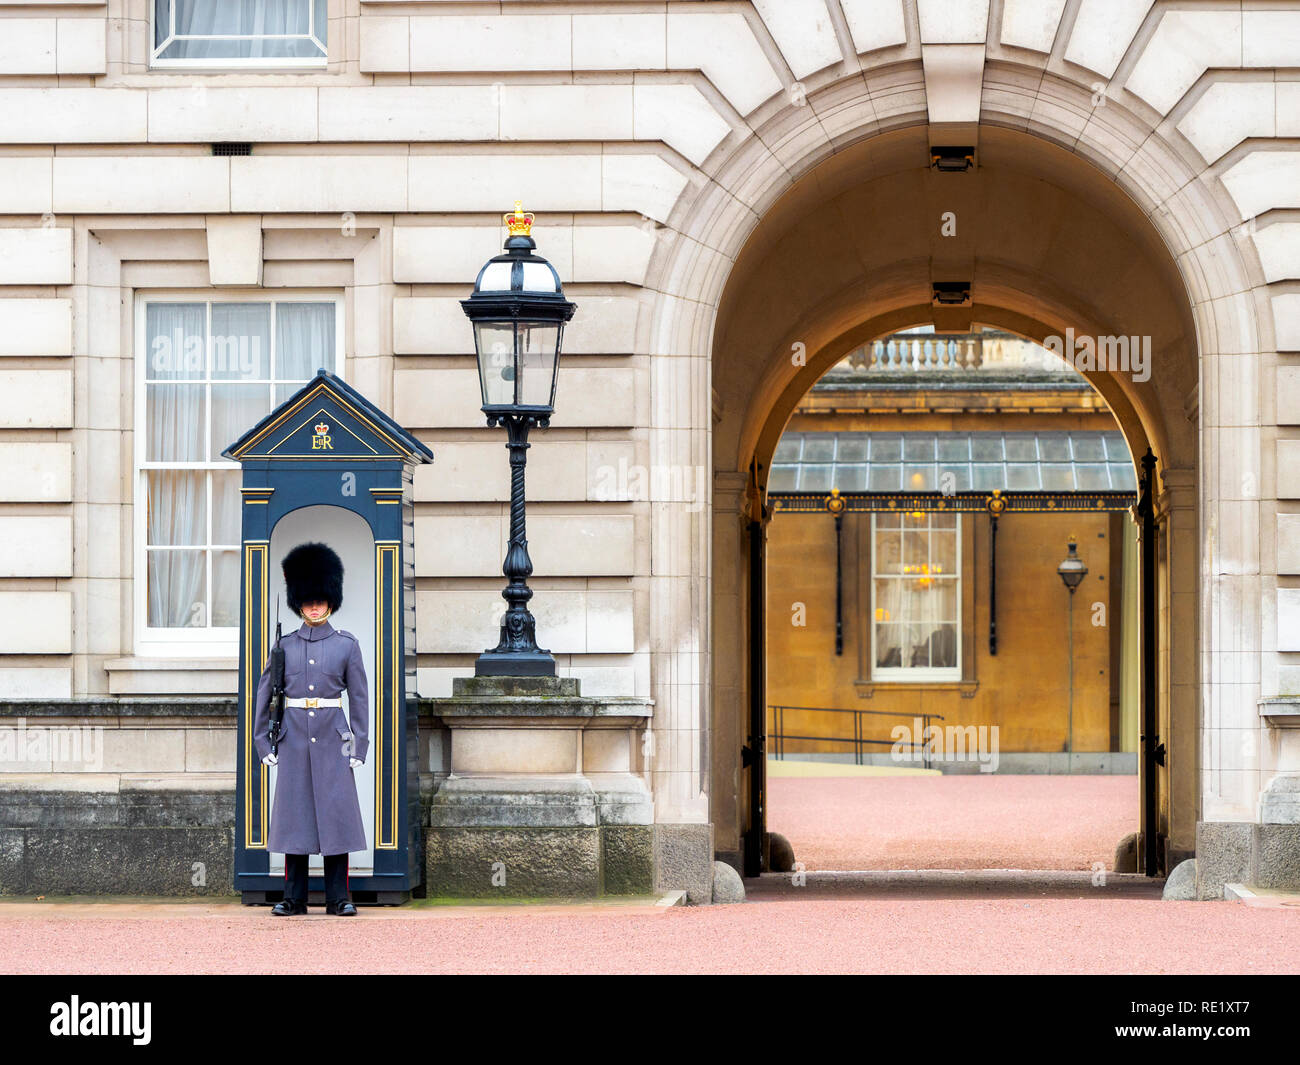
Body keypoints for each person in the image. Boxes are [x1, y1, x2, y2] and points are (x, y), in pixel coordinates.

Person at [253, 542, 369, 917]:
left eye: (320, 600)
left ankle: (339, 898)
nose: (314, 606)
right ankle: (294, 897)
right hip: (293, 739)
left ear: (330, 601)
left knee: (336, 819)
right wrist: (262, 741)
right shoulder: (284, 646)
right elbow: (266, 693)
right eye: (308, 601)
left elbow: (360, 699)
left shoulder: (346, 645)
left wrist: (360, 745)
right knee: (294, 818)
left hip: (334, 740)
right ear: (299, 603)